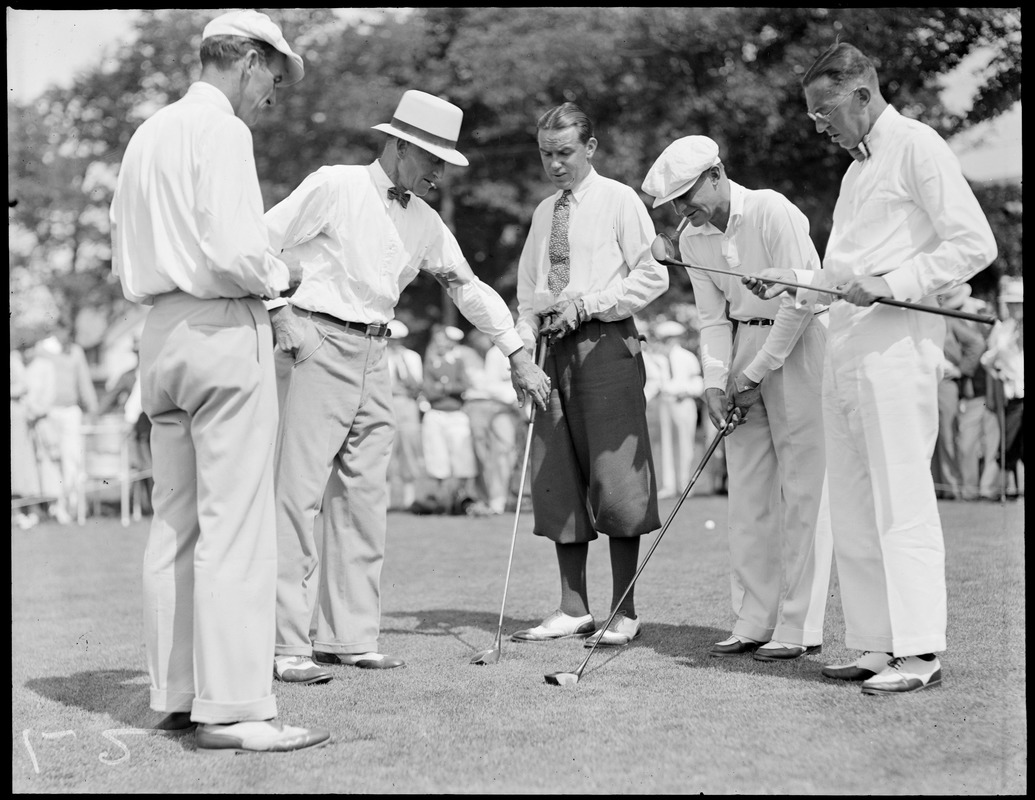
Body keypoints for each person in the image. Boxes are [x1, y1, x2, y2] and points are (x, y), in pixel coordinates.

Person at [263, 89, 551, 683]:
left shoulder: (425, 221)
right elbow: (261, 239)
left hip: (378, 354)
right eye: (433, 160)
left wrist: (517, 352)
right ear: (398, 147)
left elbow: (466, 287)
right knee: (296, 497)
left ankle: (348, 638)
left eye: (445, 162)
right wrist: (276, 308)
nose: (439, 174)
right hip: (316, 341)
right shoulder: (336, 185)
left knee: (365, 499)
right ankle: (285, 645)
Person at [743, 41, 997, 694]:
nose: (818, 125)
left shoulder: (917, 146)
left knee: (901, 501)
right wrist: (792, 278)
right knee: (853, 506)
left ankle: (919, 651)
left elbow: (974, 244)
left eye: (823, 111)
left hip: (897, 349)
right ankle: (877, 644)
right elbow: (839, 277)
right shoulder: (853, 173)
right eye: (811, 115)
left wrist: (894, 282)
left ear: (862, 94)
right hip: (845, 350)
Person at [109, 9, 330, 752]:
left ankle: (177, 695)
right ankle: (233, 710)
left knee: (175, 523)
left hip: (160, 332)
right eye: (274, 76)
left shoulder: (147, 134)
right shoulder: (223, 130)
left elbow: (127, 252)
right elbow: (238, 251)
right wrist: (284, 273)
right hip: (220, 327)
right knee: (236, 524)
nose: (272, 93)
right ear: (248, 59)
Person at [642, 134, 833, 662]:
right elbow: (711, 319)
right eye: (672, 203)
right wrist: (714, 381)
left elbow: (800, 301)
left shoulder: (772, 210)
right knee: (747, 494)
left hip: (800, 343)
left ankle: (798, 625)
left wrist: (753, 374)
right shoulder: (693, 238)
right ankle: (753, 618)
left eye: (686, 196)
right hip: (744, 349)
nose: (681, 211)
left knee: (804, 491)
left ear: (717, 174)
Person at [510, 101, 669, 648]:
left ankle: (624, 611)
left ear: (591, 147)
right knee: (556, 476)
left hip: (605, 343)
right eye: (545, 154)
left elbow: (653, 276)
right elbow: (529, 293)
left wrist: (589, 305)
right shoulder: (542, 211)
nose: (555, 164)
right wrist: (522, 348)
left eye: (564, 152)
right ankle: (572, 608)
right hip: (550, 350)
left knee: (615, 475)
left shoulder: (620, 199)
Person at [26, 327, 99, 524]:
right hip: (47, 413)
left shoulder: (75, 352)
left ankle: (72, 505)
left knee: (72, 459)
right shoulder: (41, 350)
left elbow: (84, 381)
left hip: (70, 411)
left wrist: (92, 408)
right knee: (50, 461)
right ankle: (55, 506)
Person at [414, 324, 480, 515]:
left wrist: (443, 387)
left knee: (462, 455)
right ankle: (441, 500)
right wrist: (449, 388)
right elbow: (428, 390)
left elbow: (464, 385)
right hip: (436, 413)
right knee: (437, 457)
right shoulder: (429, 363)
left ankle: (460, 497)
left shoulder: (457, 362)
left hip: (456, 413)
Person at [930, 286, 985, 500]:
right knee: (930, 433)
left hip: (944, 382)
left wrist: (960, 369)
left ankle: (951, 486)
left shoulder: (950, 319)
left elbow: (977, 343)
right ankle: (939, 487)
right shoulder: (931, 319)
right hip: (927, 381)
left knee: (947, 433)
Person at [462, 327, 523, 515]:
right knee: (502, 453)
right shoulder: (495, 353)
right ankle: (498, 499)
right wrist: (512, 398)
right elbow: (491, 384)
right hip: (503, 409)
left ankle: (517, 497)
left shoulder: (527, 348)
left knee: (518, 455)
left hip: (525, 409)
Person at [651, 320, 704, 499]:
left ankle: (684, 484)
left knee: (685, 443)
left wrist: (685, 391)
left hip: (683, 402)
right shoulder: (657, 358)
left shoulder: (687, 357)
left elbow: (697, 382)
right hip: (665, 402)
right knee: (666, 443)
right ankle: (668, 485)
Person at [385, 319, 426, 511]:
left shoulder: (411, 357)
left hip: (407, 404)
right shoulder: (379, 355)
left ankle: (409, 499)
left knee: (409, 447)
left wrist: (401, 363)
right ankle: (385, 499)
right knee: (386, 450)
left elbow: (415, 385)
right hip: (386, 402)